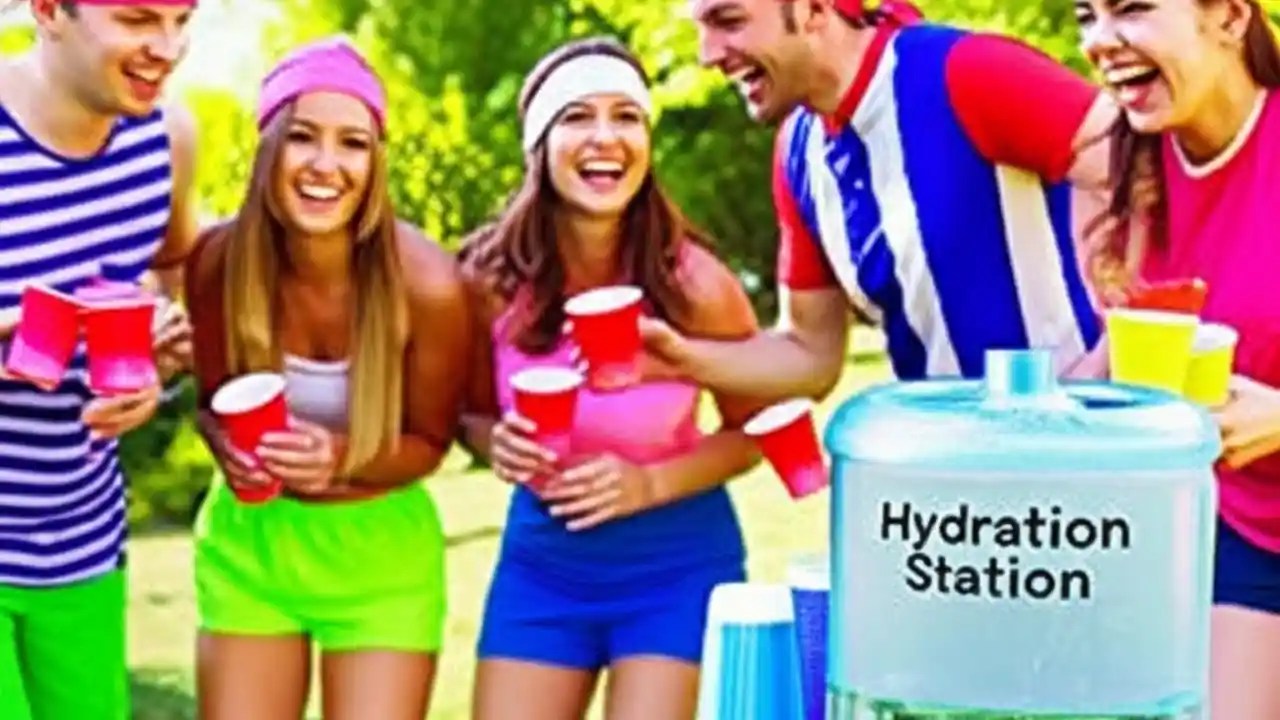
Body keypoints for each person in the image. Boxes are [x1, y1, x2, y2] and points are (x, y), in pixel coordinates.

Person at [457, 36, 765, 720]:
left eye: (627, 116)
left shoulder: (697, 286)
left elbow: (758, 431)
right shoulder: (485, 282)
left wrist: (649, 482)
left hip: (675, 564)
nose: (607, 137)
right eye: (578, 117)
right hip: (543, 562)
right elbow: (471, 413)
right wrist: (492, 443)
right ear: (540, 143)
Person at [184, 37, 471, 720]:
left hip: (380, 554)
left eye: (353, 144)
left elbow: (432, 440)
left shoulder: (428, 284)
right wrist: (227, 447)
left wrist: (341, 458)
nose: (326, 165)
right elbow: (208, 406)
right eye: (303, 138)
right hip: (250, 548)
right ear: (268, 150)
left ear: (376, 164)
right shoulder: (218, 262)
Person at [640, 0, 1121, 399]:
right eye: (701, 28)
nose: (706, 54)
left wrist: (1091, 375)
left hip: (1081, 453)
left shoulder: (965, 73)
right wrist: (680, 356)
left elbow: (1152, 176)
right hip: (951, 478)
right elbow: (810, 353)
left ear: (813, 9)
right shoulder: (797, 152)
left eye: (729, 21)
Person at [1073, 0, 1280, 716]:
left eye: (1129, 9)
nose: (1101, 40)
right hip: (1248, 529)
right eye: (1084, 15)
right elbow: (1121, 353)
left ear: (1227, 16)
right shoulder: (1134, 166)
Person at [0, 0, 199, 717]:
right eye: (139, 20)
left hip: (80, 545)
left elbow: (172, 298)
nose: (169, 48)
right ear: (50, 10)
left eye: (184, 19)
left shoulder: (166, 141)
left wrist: (157, 370)